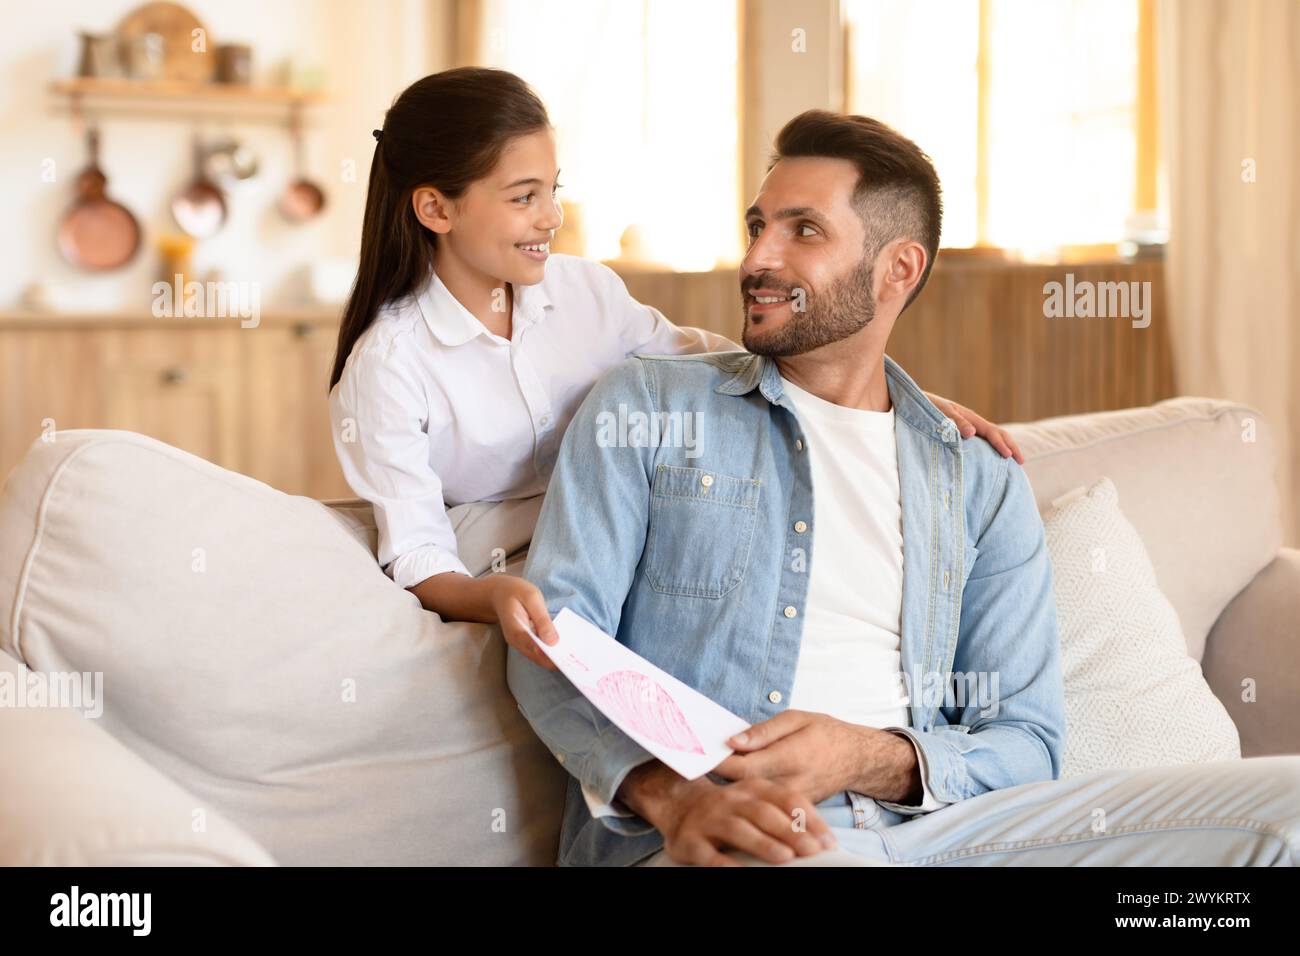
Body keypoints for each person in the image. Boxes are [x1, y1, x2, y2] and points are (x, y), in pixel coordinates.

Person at [507, 109, 1300, 867]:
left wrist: (863, 756)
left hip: (948, 828)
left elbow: (1027, 741)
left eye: (803, 230)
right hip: (740, 831)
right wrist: (675, 799)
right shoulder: (649, 408)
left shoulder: (976, 477)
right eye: (758, 225)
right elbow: (550, 643)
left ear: (898, 269)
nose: (758, 258)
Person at [328, 68, 1020, 670]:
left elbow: (710, 359)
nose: (552, 216)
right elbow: (418, 553)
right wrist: (497, 595)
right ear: (435, 207)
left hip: (623, 542)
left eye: (553, 189)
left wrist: (890, 394)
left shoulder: (583, 293)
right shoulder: (387, 366)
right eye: (523, 196)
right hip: (517, 577)